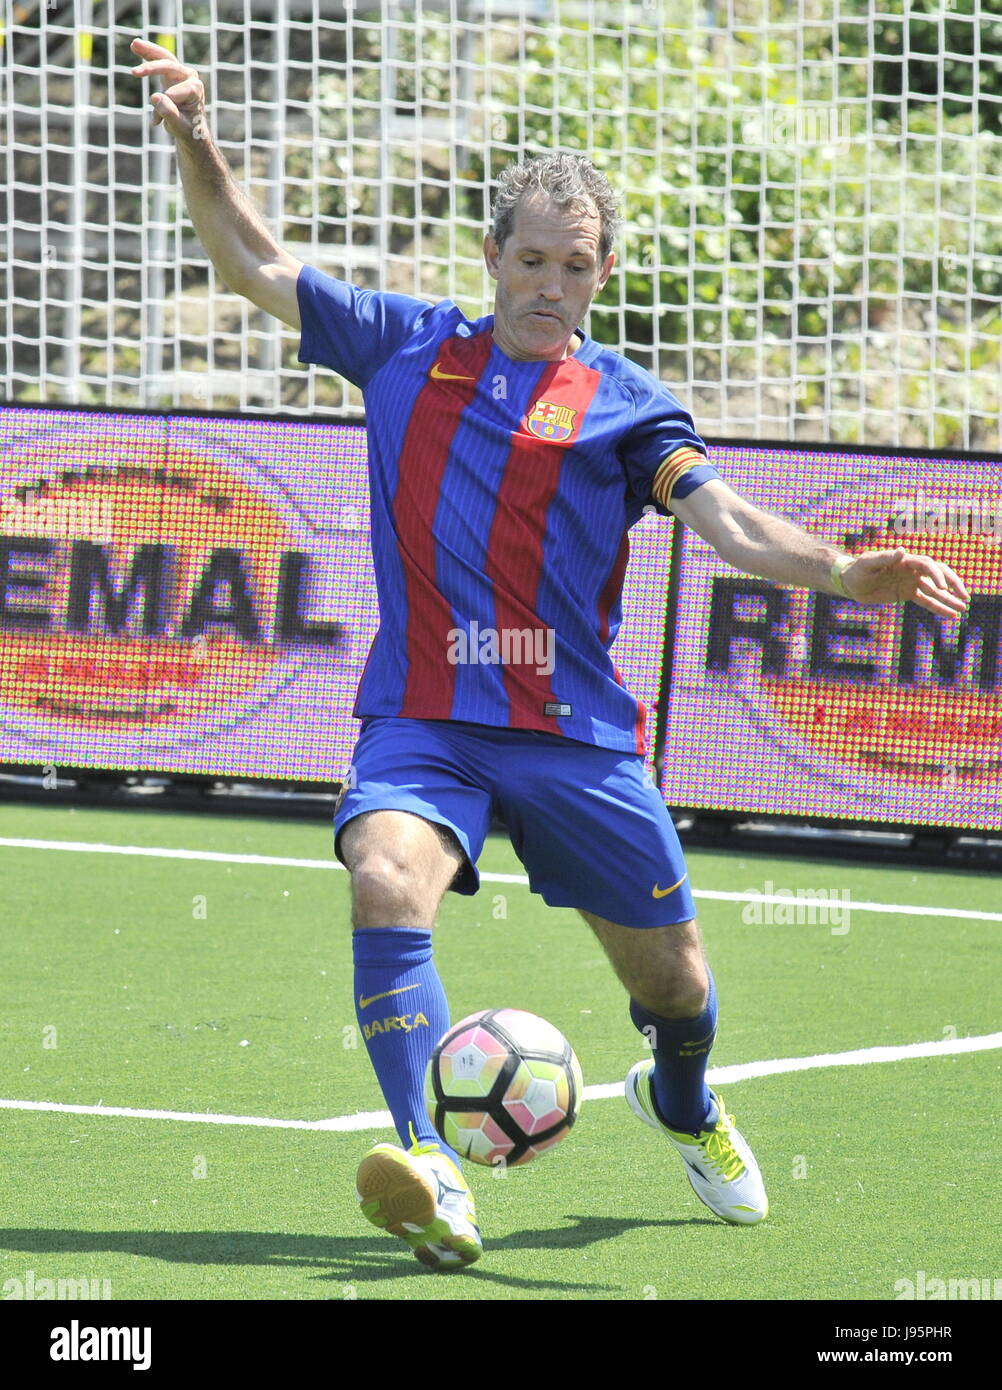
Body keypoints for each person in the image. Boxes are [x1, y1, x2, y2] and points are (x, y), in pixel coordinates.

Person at [130, 36, 970, 1272]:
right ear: (492, 257)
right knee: (385, 879)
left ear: (602, 272)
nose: (550, 285)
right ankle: (428, 1160)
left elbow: (729, 524)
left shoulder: (627, 404)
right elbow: (250, 261)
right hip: (425, 721)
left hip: (575, 736)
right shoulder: (403, 344)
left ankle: (681, 1102)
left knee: (677, 989)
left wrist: (843, 572)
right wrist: (199, 137)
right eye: (532, 260)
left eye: (575, 267)